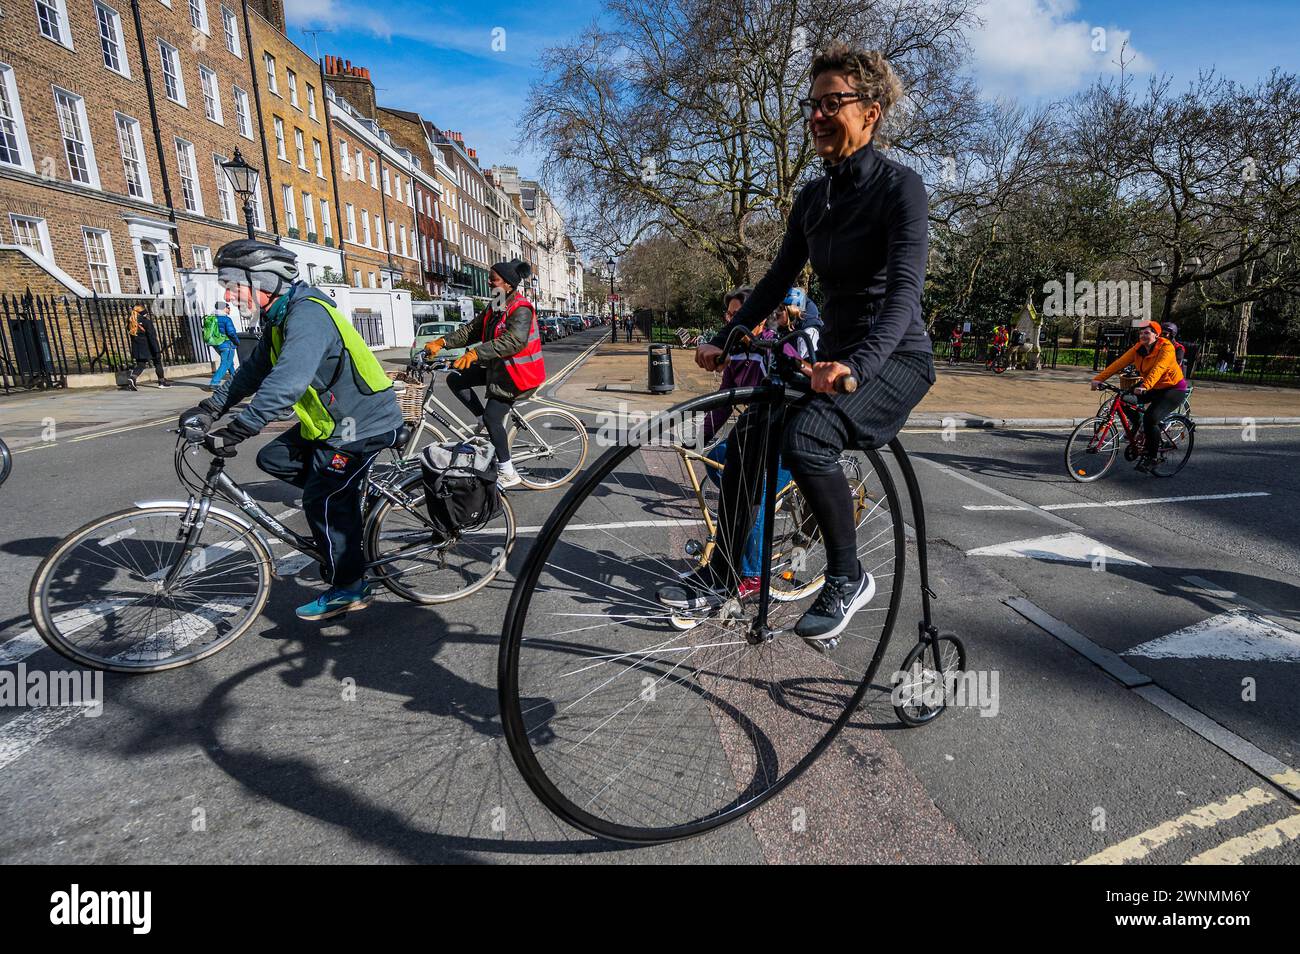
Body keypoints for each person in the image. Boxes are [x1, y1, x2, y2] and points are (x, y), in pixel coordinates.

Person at [659, 41, 934, 645]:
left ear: (871, 111)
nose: (815, 116)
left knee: (810, 438)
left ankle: (847, 577)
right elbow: (777, 281)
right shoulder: (814, 198)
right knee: (751, 437)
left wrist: (857, 365)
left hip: (895, 359)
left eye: (831, 102)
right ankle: (726, 573)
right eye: (810, 104)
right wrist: (725, 337)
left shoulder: (900, 190)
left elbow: (903, 296)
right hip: (833, 361)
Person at [178, 240, 404, 621]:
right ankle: (347, 508)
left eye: (234, 286)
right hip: (331, 425)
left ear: (262, 281)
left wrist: (238, 429)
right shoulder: (280, 318)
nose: (230, 297)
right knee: (274, 457)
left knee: (322, 499)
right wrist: (209, 408)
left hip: (362, 423)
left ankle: (350, 587)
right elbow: (253, 372)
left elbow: (287, 383)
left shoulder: (307, 316)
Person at [423, 259, 545, 489]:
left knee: (493, 418)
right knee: (456, 378)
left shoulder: (521, 308)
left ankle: (508, 471)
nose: (489, 282)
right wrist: (442, 342)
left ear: (508, 284)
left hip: (517, 376)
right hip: (498, 370)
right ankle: (481, 421)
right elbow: (473, 329)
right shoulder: (498, 302)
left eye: (494, 279)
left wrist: (475, 354)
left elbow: (513, 341)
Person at [1091, 320, 1186, 472]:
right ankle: (1137, 424)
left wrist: (1145, 386)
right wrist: (1099, 379)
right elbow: (1118, 363)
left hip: (1172, 388)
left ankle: (1152, 457)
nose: (1142, 335)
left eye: (1147, 332)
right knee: (1122, 399)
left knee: (1150, 419)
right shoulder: (1138, 348)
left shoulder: (1166, 347)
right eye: (1141, 333)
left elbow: (1159, 368)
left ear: (1156, 334)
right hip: (1151, 386)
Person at [125, 305, 172, 390]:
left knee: (141, 365)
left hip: (137, 347)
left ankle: (132, 378)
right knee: (157, 362)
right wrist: (157, 349)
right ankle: (161, 382)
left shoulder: (130, 322)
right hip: (149, 347)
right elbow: (152, 337)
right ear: (143, 313)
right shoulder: (146, 322)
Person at [203, 301, 241, 391]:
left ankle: (236, 381)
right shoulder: (226, 319)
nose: (229, 310)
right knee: (225, 363)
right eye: (228, 308)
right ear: (224, 308)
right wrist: (237, 342)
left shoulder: (212, 318)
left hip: (217, 344)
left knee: (229, 363)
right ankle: (214, 383)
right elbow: (231, 333)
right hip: (227, 343)